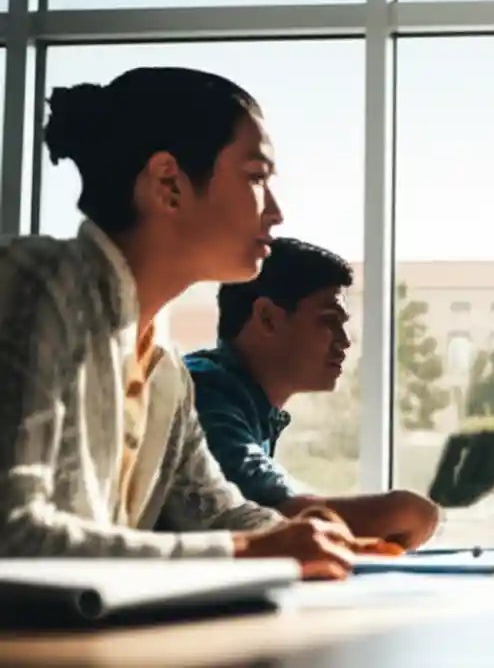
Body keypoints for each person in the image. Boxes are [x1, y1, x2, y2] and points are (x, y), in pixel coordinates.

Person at [0, 67, 357, 579]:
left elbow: (217, 515)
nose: (276, 213)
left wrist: (328, 543)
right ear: (169, 184)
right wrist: (247, 551)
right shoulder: (33, 283)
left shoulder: (164, 369)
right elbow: (12, 533)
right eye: (256, 177)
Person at [185, 237, 440, 550]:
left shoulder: (247, 401)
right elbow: (269, 510)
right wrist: (408, 511)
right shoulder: (204, 389)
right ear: (267, 318)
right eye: (329, 321)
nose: (345, 341)